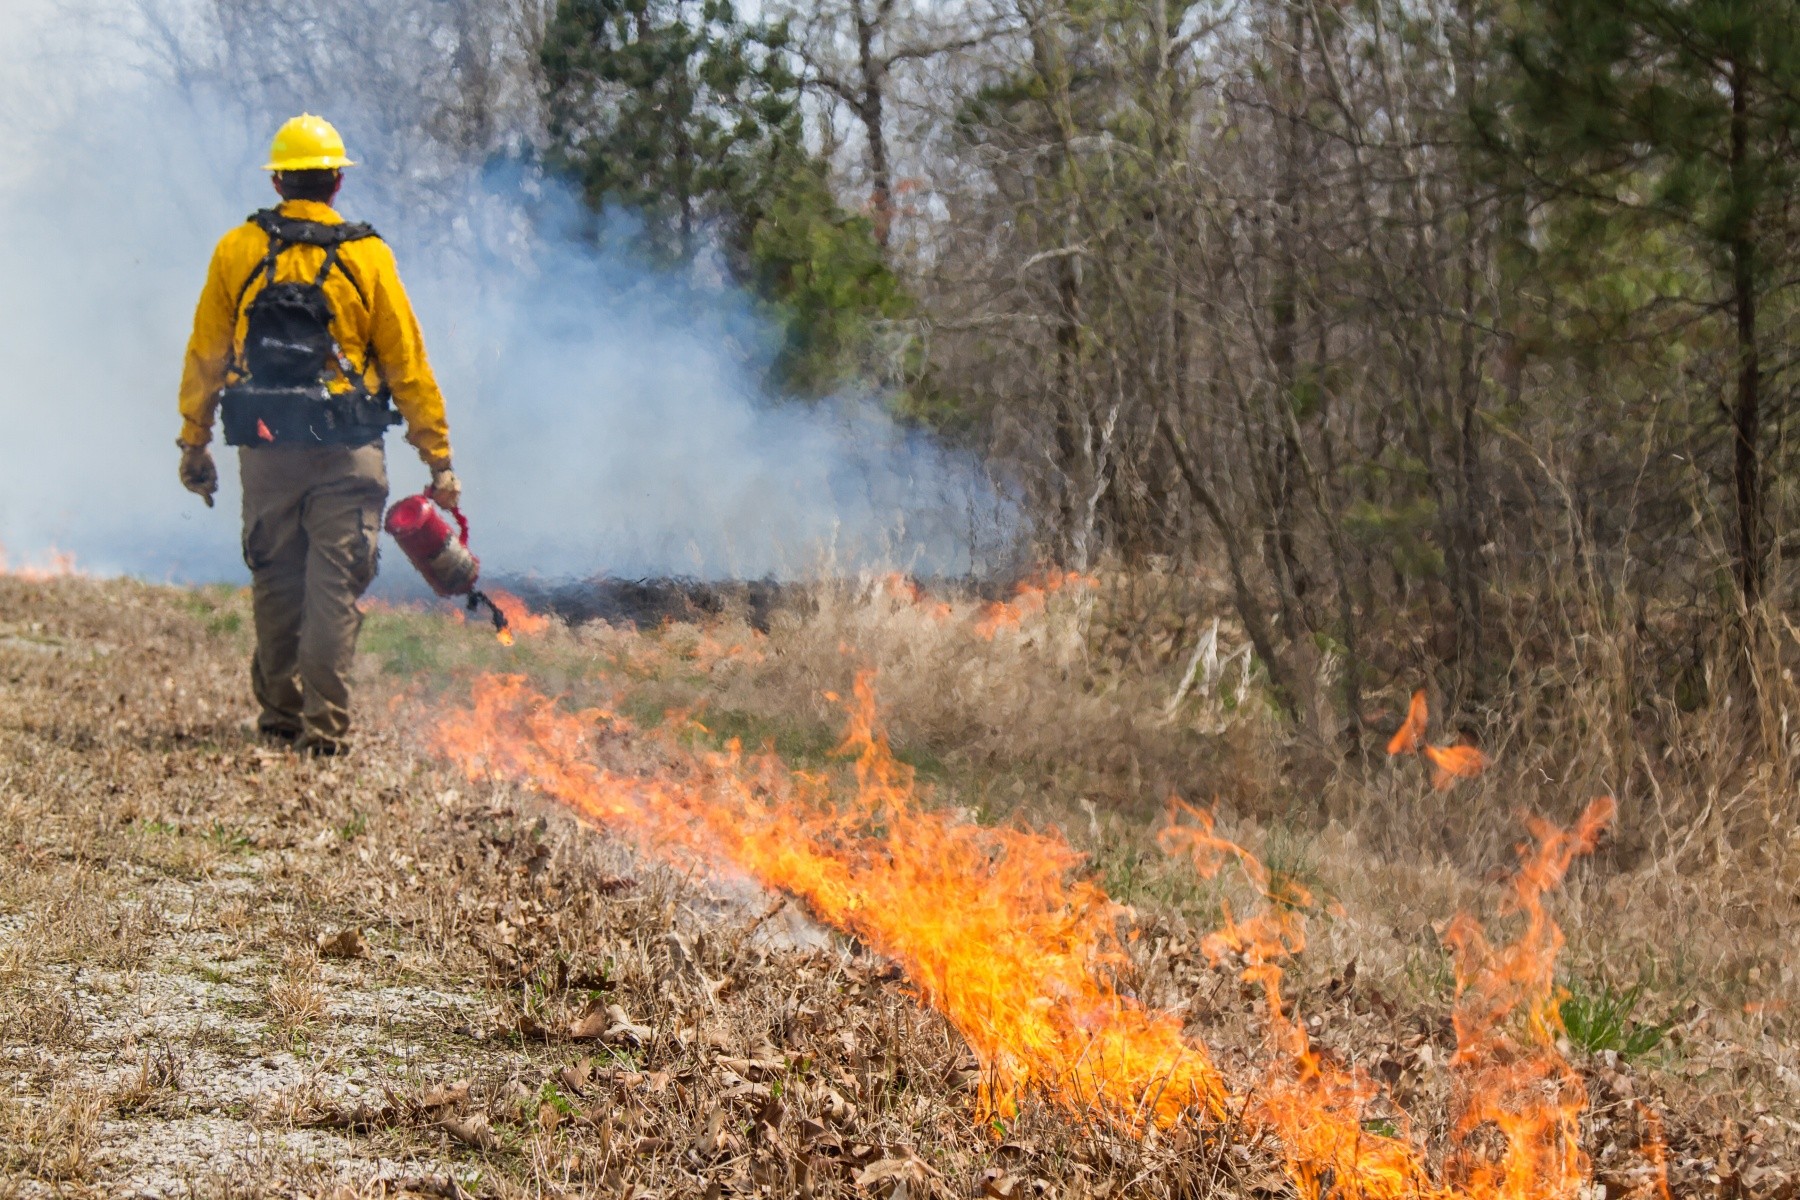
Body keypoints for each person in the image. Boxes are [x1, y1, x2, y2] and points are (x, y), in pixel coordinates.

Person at [176, 113, 460, 756]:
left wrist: (194, 441)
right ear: (336, 181)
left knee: (276, 580)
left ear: (278, 181)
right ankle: (324, 733)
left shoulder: (237, 250)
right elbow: (407, 366)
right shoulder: (366, 256)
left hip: (266, 448)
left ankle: (279, 720)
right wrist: (438, 459)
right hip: (347, 451)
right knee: (333, 590)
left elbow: (206, 355)